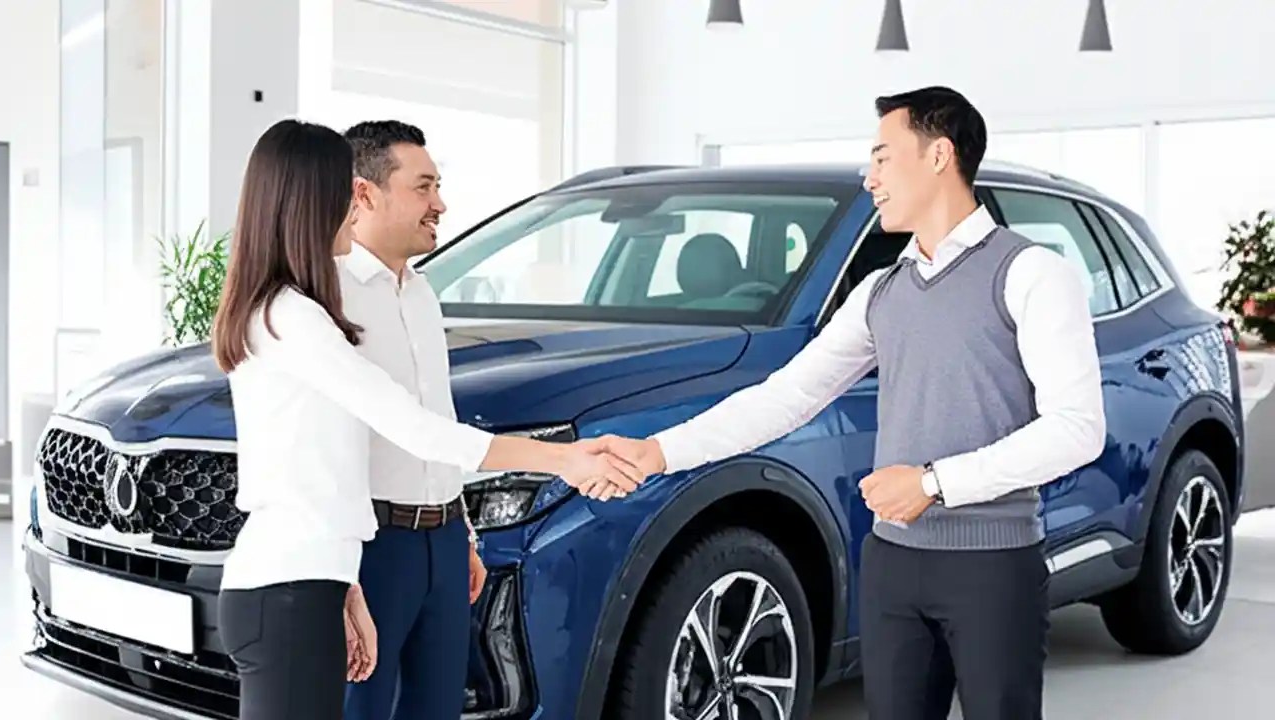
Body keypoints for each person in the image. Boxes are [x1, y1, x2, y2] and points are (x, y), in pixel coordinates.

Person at [581, 86, 1106, 720]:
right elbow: (787, 397)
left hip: (992, 565)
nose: (870, 176)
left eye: (883, 157)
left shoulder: (1031, 274)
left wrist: (935, 484)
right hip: (892, 562)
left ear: (939, 155)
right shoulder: (881, 291)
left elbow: (1077, 429)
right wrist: (657, 452)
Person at [210, 118, 640, 720]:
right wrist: (563, 458)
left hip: (324, 569)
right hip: (306, 576)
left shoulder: (363, 300)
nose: (350, 204)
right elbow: (411, 429)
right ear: (316, 200)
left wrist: (358, 579)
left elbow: (349, 453)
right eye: (422, 186)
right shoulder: (303, 314)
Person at [334, 120, 480, 720]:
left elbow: (436, 417)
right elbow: (323, 446)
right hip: (374, 548)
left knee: (438, 709)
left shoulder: (423, 294)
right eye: (424, 187)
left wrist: (462, 529)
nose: (440, 204)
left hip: (442, 544)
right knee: (361, 709)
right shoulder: (324, 295)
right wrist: (341, 570)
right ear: (364, 193)